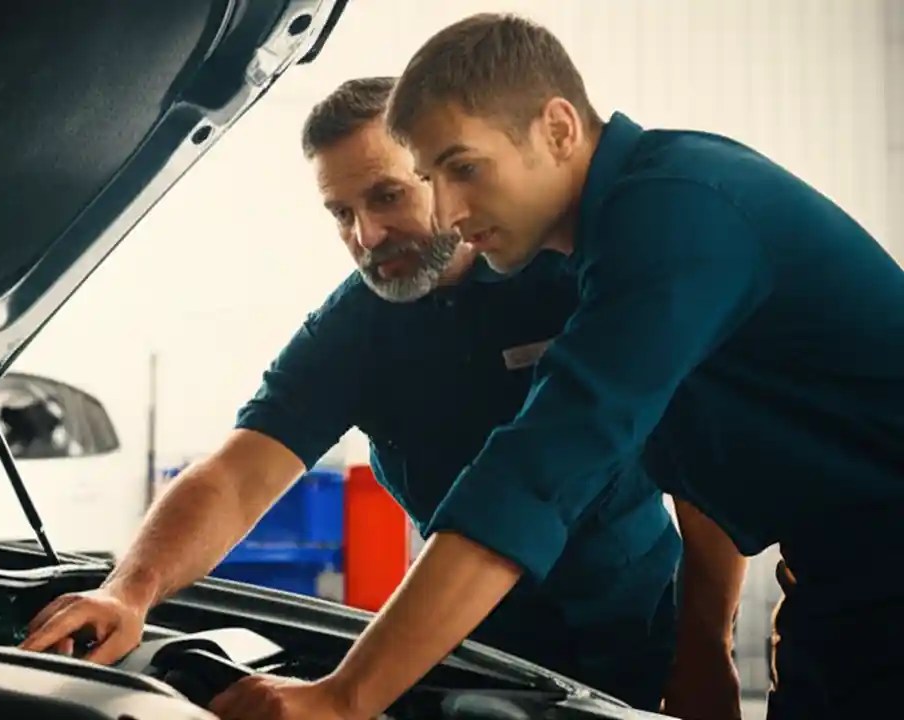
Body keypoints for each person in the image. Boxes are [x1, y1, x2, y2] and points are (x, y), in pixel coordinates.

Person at [208, 12, 904, 720]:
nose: (447, 212)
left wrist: (344, 697)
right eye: (428, 179)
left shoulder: (675, 219)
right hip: (837, 574)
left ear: (559, 129)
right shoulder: (614, 237)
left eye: (464, 169)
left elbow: (537, 470)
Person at [19, 77, 690, 713]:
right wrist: (130, 591)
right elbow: (237, 475)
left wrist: (706, 646)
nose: (364, 237)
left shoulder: (571, 276)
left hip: (638, 629)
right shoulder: (355, 329)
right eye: (341, 212)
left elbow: (699, 462)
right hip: (460, 645)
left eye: (387, 197)